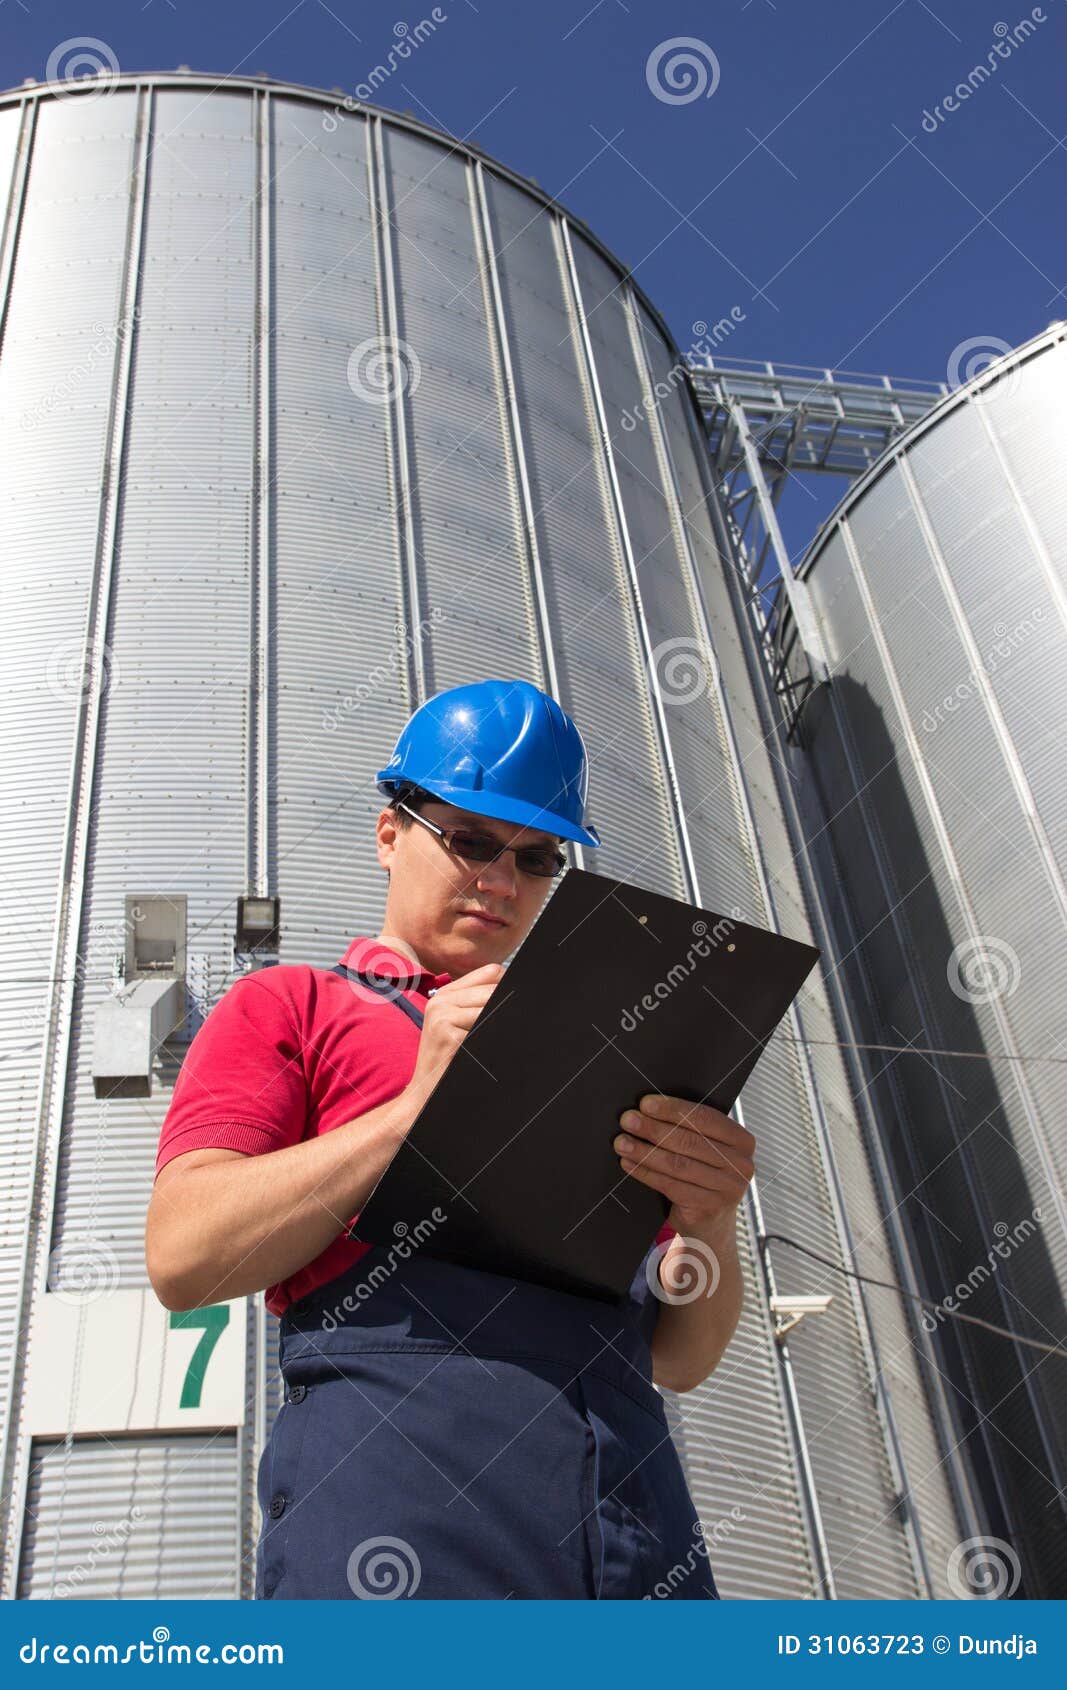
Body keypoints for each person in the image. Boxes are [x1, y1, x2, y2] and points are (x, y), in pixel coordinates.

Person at [145, 677, 756, 1599]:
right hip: (400, 1516)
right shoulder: (295, 1005)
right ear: (388, 834)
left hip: (629, 1520)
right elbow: (185, 1255)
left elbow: (681, 1356)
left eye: (537, 858)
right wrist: (411, 1115)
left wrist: (706, 1223)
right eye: (470, 840)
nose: (502, 881)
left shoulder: (601, 1052)